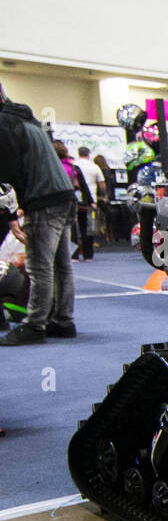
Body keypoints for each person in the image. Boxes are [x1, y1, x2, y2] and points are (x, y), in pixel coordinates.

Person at [0, 82, 78, 345]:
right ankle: (63, 321)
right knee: (61, 264)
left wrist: (13, 208)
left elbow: (7, 169)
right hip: (64, 195)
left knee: (39, 266)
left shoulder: (4, 124)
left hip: (43, 197)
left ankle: (34, 325)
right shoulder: (25, 117)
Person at [73, 146, 104, 258]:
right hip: (90, 200)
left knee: (74, 228)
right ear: (88, 154)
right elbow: (102, 183)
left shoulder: (75, 166)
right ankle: (88, 254)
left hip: (76, 199)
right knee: (89, 227)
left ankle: (74, 255)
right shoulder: (94, 166)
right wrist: (102, 196)